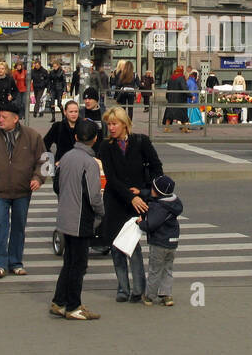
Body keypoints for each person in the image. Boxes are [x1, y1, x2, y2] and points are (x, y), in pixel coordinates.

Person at [98, 106, 163, 302]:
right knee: (117, 246)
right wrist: (130, 196)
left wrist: (146, 193)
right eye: (108, 124)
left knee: (133, 246)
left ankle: (138, 288)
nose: (110, 128)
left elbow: (156, 167)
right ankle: (122, 288)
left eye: (114, 124)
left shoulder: (141, 142)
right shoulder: (106, 146)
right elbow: (111, 178)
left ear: (125, 124)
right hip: (116, 201)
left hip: (137, 203)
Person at [0, 100, 46, 278]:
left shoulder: (32, 136)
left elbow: (45, 160)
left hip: (22, 191)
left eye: (4, 117)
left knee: (18, 227)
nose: (0, 119)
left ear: (16, 119)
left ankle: (16, 262)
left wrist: (38, 178)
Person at [51, 118, 105, 321]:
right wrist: (101, 212)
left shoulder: (65, 157)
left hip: (65, 214)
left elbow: (57, 186)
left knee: (69, 261)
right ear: (95, 139)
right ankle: (73, 306)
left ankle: (59, 301)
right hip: (81, 217)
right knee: (79, 264)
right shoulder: (89, 163)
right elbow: (93, 196)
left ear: (76, 137)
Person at [138, 173, 182, 307]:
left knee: (155, 270)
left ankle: (149, 296)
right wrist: (140, 192)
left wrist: (140, 223)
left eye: (152, 188)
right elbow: (152, 196)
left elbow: (151, 225)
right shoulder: (173, 202)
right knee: (167, 269)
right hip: (172, 242)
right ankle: (166, 295)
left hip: (159, 242)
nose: (151, 190)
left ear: (157, 192)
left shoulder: (158, 207)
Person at [162, 67, 189, 133]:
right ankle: (184, 128)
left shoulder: (171, 78)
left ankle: (167, 128)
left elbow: (168, 89)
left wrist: (168, 97)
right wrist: (190, 95)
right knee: (183, 114)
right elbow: (184, 88)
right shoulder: (181, 78)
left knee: (169, 114)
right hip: (180, 99)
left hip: (171, 98)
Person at [0, 61, 19, 125]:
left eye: (2, 69)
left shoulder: (9, 79)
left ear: (5, 70)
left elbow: (15, 91)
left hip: (6, 105)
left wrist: (12, 96)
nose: (0, 70)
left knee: (5, 125)